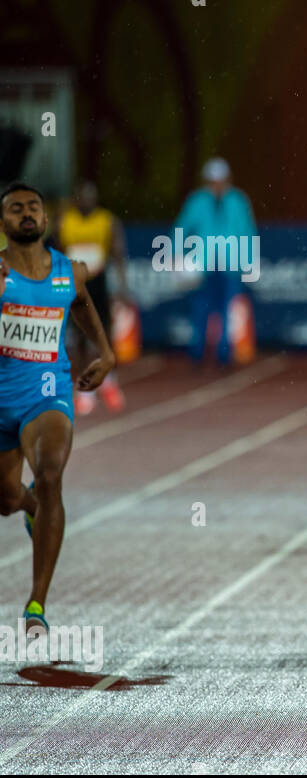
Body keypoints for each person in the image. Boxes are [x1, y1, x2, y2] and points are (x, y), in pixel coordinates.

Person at [0, 182, 115, 632]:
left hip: (46, 393)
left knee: (49, 474)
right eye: (15, 209)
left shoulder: (70, 272)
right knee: (7, 498)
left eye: (33, 208)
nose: (26, 214)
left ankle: (35, 606)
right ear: (4, 223)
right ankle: (29, 508)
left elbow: (81, 303)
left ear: (47, 221)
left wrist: (105, 353)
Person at [53, 179, 128, 414]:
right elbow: (56, 252)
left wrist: (123, 286)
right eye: (83, 196)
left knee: (105, 330)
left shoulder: (107, 220)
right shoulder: (65, 221)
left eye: (90, 196)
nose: (87, 200)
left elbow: (118, 253)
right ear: (77, 198)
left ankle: (109, 380)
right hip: (74, 283)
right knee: (80, 335)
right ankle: (84, 388)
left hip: (98, 281)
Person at [175, 157, 257, 367]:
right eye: (213, 181)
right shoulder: (197, 201)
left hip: (230, 265)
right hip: (203, 265)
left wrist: (249, 262)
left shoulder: (238, 201)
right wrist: (177, 255)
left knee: (228, 310)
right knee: (200, 309)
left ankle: (224, 353)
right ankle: (197, 353)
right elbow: (182, 228)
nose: (217, 185)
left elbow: (247, 232)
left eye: (220, 181)